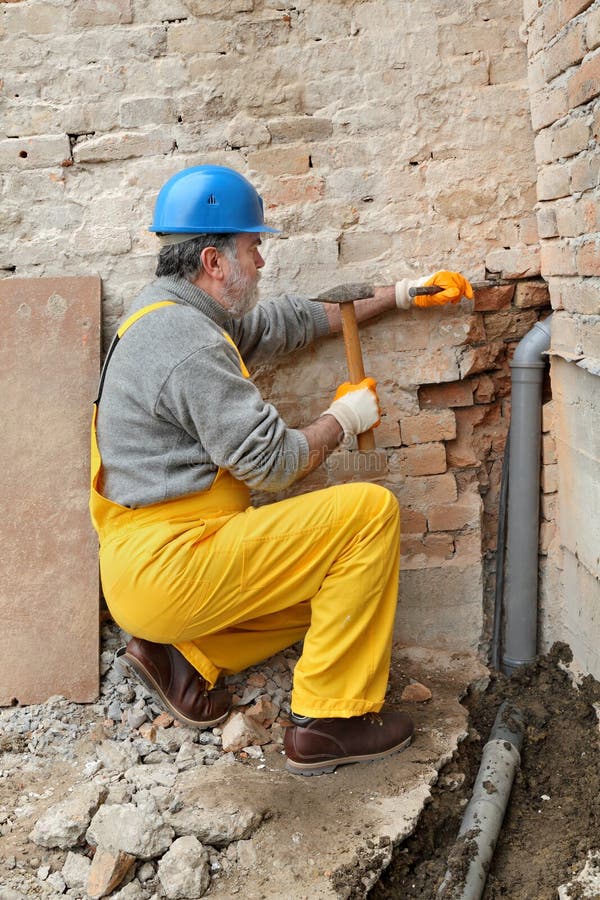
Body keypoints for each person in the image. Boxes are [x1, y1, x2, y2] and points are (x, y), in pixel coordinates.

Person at [90, 165, 473, 776]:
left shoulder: (172, 312)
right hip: (170, 562)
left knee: (344, 591)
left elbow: (287, 322)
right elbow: (274, 463)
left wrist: (400, 294)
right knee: (369, 515)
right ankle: (329, 723)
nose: (262, 260)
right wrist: (343, 418)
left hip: (151, 565)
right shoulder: (188, 343)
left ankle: (187, 657)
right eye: (253, 247)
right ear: (214, 261)